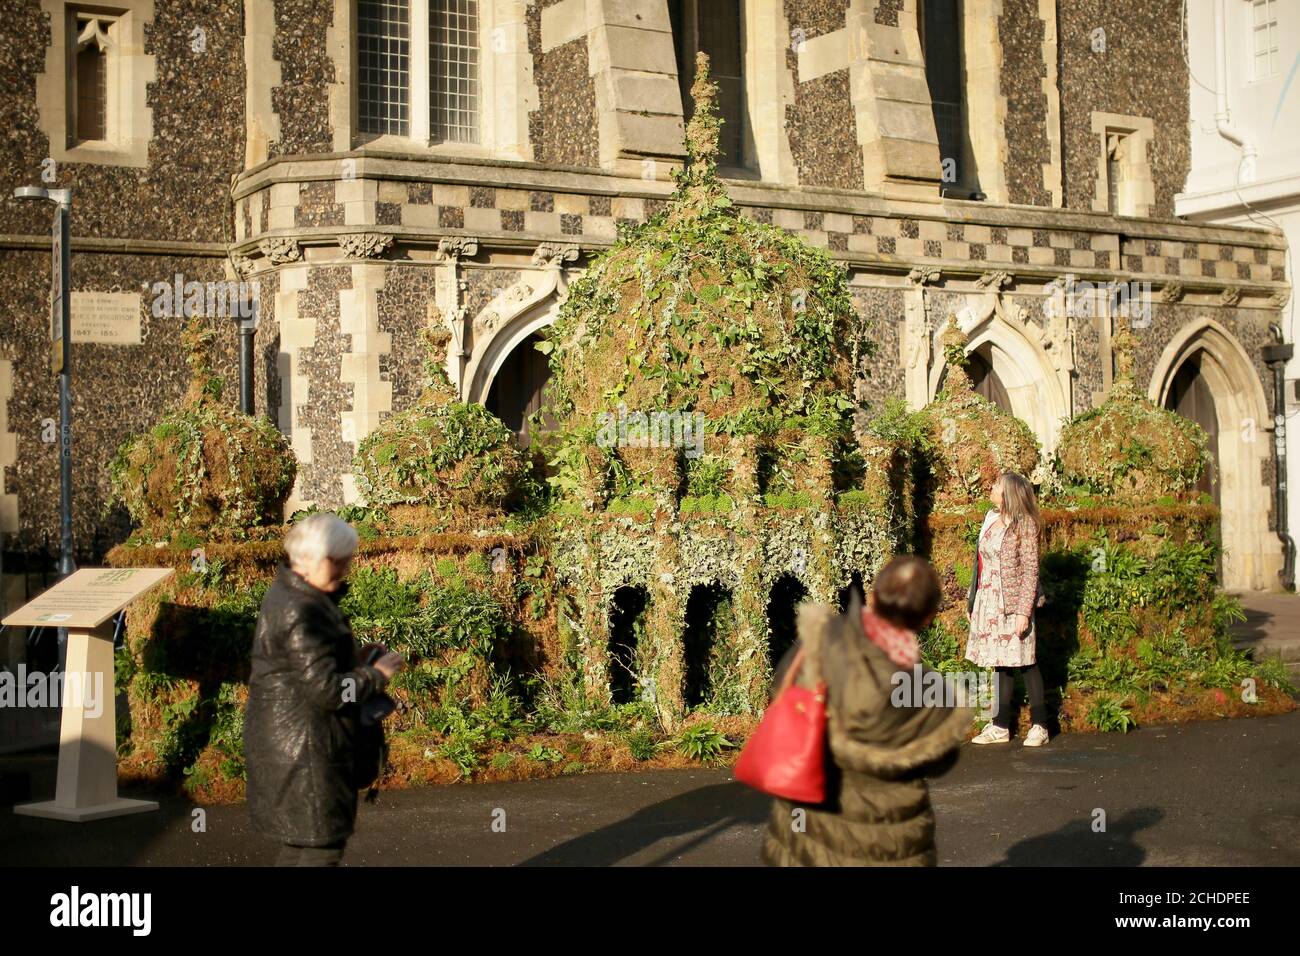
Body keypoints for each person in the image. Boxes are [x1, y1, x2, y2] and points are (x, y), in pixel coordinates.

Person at [762, 556, 972, 866]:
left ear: (872, 596)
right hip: (887, 838)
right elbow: (941, 758)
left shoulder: (821, 642)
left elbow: (781, 692)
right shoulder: (924, 686)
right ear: (926, 617)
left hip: (810, 821)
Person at [244, 513, 404, 866]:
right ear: (312, 559)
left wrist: (353, 657)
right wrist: (375, 675)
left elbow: (306, 665)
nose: (345, 569)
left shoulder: (289, 595)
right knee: (322, 845)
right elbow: (331, 692)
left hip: (292, 742)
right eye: (339, 561)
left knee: (300, 843)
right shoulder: (303, 610)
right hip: (309, 750)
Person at [966, 471, 1048, 746]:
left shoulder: (1023, 524)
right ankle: (1000, 726)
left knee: (1026, 661)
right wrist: (972, 600)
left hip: (1013, 601)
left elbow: (1030, 570)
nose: (992, 487)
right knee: (1000, 662)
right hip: (989, 600)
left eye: (997, 485)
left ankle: (1040, 725)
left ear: (1009, 492)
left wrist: (1024, 612)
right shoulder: (990, 519)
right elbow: (979, 563)